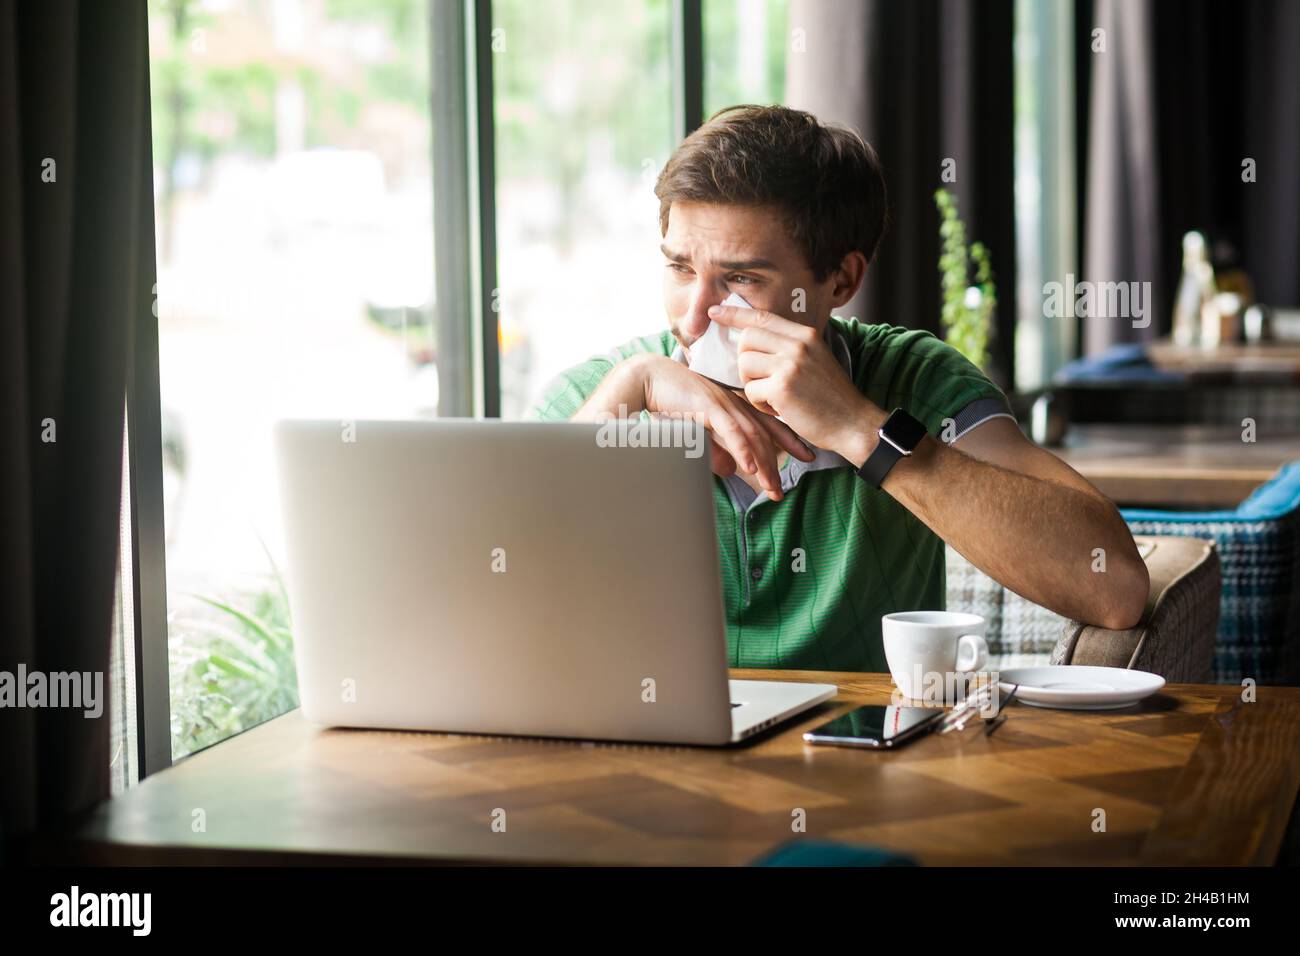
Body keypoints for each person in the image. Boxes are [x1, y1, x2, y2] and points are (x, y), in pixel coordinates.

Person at [532, 105, 1148, 672]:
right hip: (642, 772)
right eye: (680, 268)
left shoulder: (915, 379)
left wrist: (861, 429)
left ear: (841, 279)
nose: (693, 318)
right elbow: (491, 581)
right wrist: (631, 389)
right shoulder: (598, 397)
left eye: (740, 278)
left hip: (861, 775)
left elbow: (1114, 588)